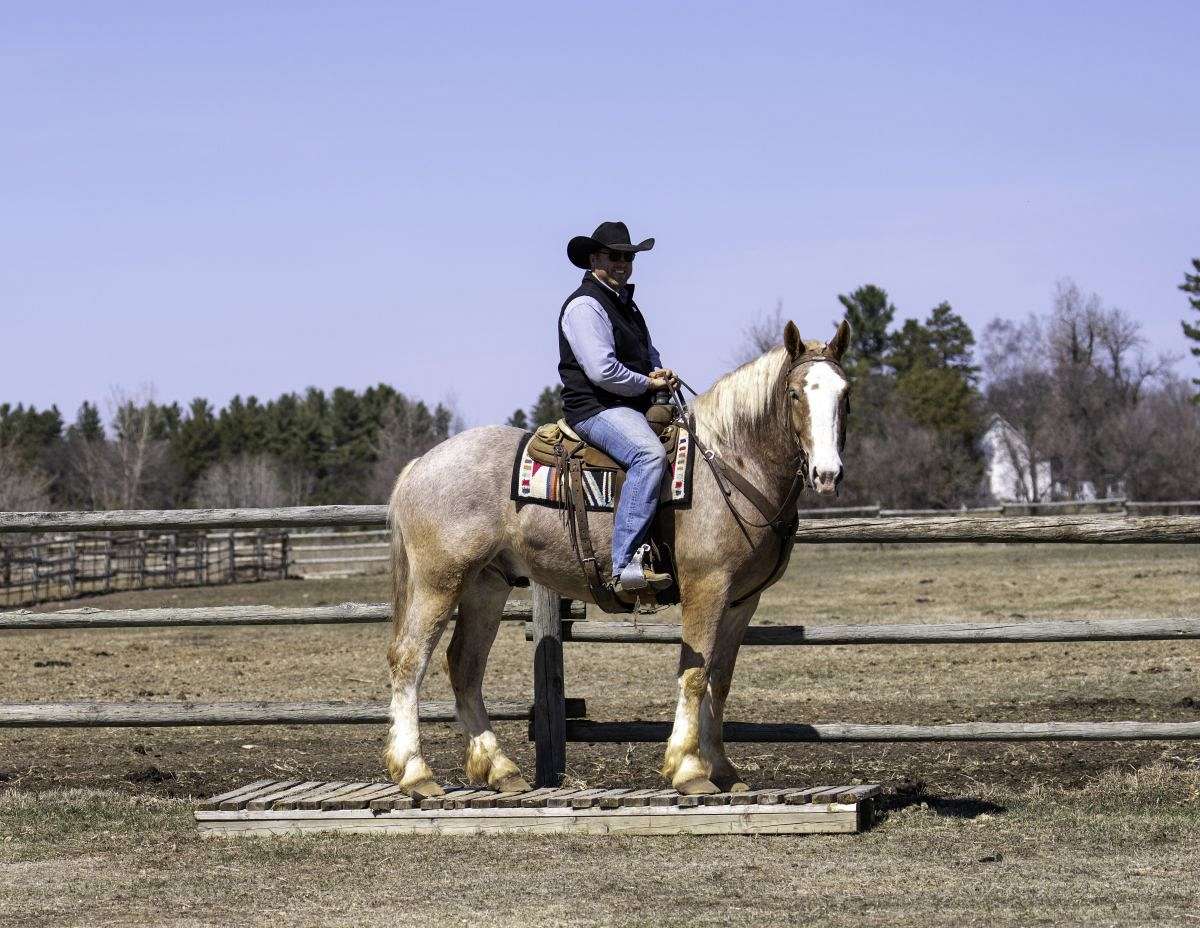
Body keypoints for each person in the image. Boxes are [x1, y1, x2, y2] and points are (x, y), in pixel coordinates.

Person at [558, 221, 678, 594]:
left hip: (629, 405)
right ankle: (624, 565)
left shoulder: (627, 304)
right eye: (614, 256)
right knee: (649, 455)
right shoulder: (585, 305)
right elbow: (603, 371)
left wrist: (659, 371)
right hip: (596, 408)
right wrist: (648, 384)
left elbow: (648, 353)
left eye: (628, 257)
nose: (622, 264)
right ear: (594, 259)